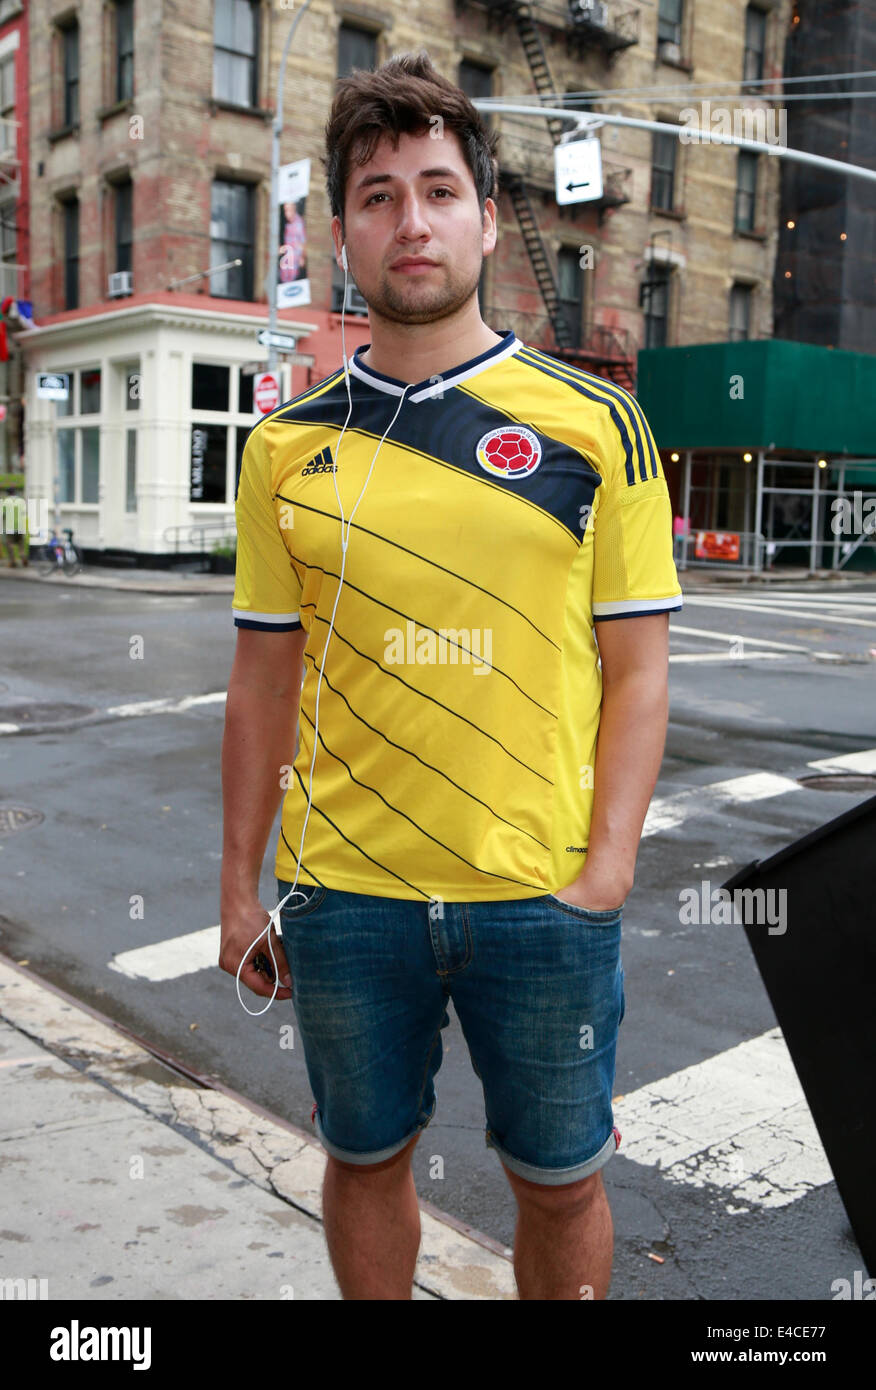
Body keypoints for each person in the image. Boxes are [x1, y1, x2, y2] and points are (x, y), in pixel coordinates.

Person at [220, 51, 682, 1301]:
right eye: (378, 194)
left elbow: (639, 672)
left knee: (562, 1179)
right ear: (344, 232)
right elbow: (264, 678)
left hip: (541, 898)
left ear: (486, 214)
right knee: (365, 1159)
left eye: (437, 188)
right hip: (342, 894)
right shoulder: (282, 447)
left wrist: (608, 871)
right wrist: (235, 884)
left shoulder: (596, 425)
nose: (410, 220)